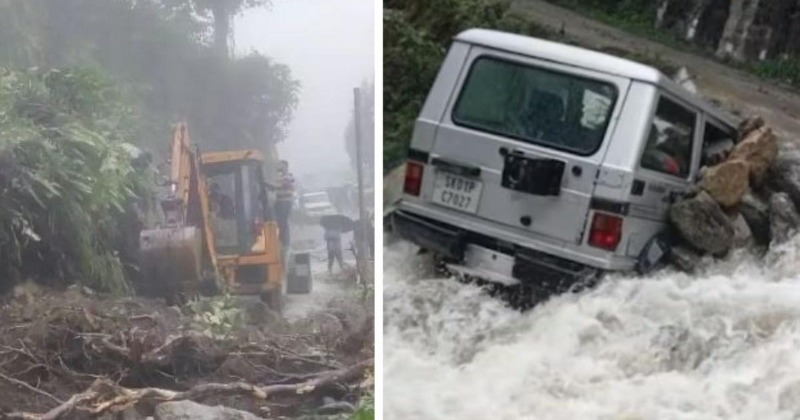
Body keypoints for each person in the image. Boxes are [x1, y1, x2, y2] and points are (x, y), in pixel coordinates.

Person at [265, 160, 295, 247]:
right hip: (280, 201)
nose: (279, 167)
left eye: (280, 166)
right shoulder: (280, 177)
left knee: (282, 222)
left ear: (285, 167)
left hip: (285, 202)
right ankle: (282, 240)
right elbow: (274, 188)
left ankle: (284, 242)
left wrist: (264, 182)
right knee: (280, 222)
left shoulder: (288, 177)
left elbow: (276, 186)